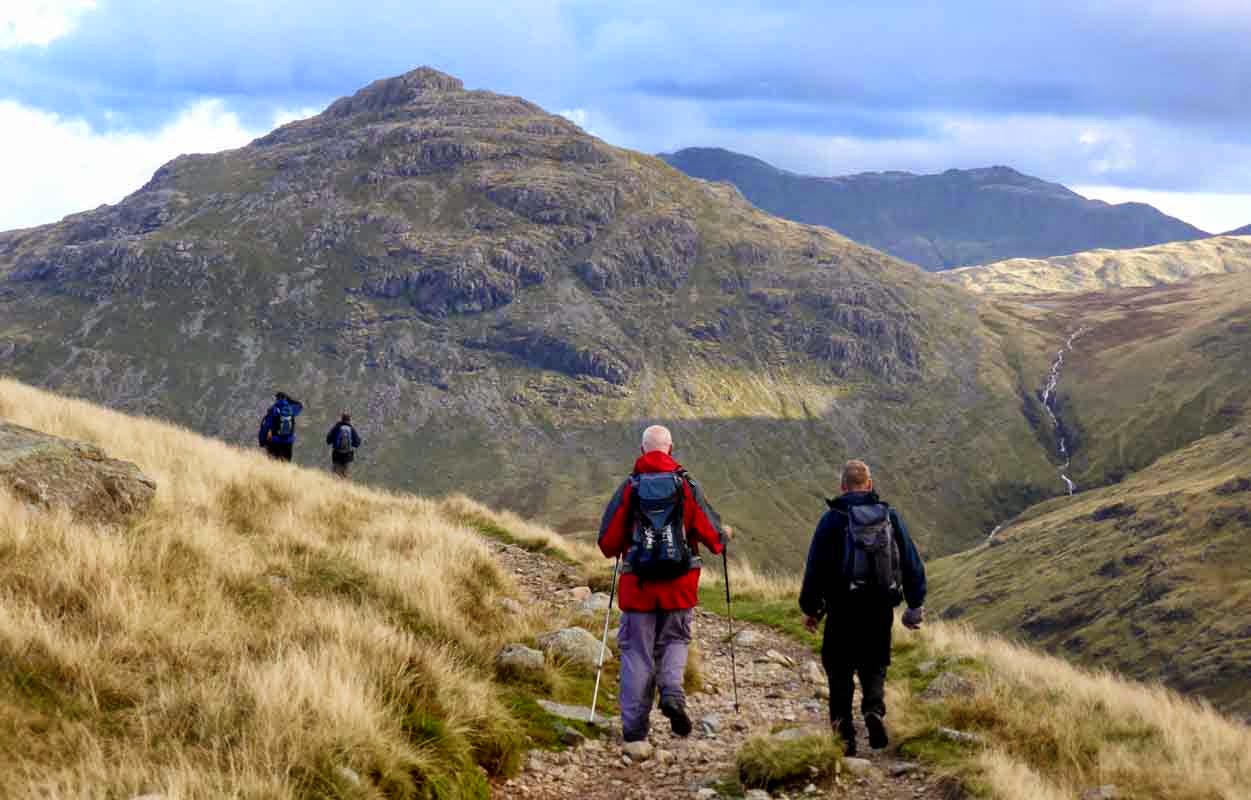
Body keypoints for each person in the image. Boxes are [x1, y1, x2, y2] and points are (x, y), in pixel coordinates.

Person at [598, 424, 729, 745]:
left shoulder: (629, 487)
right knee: (675, 641)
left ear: (643, 450)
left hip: (638, 588)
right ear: (670, 448)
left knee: (636, 654)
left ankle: (634, 729)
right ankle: (671, 692)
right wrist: (722, 539)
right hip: (679, 586)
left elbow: (606, 543)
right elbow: (714, 538)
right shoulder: (686, 485)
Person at [798, 459, 926, 756]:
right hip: (880, 607)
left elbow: (816, 568)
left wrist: (811, 609)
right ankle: (873, 711)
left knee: (839, 667)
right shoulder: (889, 516)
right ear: (869, 485)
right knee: (875, 663)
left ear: (842, 486)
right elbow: (910, 560)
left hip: (842, 607)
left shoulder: (831, 520)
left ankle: (844, 733)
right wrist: (915, 604)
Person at [257, 392, 303, 462]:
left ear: (277, 399)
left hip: (275, 441)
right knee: (286, 464)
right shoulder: (291, 409)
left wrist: (262, 441)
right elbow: (300, 406)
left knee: (274, 464)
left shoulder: (273, 410)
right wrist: (289, 399)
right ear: (285, 398)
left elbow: (265, 427)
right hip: (288, 442)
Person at [325, 412, 362, 478]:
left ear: (341, 418)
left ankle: (333, 486)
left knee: (335, 475)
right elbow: (357, 443)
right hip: (347, 456)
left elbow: (328, 440)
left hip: (336, 454)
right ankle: (344, 486)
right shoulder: (351, 428)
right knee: (345, 475)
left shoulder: (337, 427)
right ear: (349, 420)